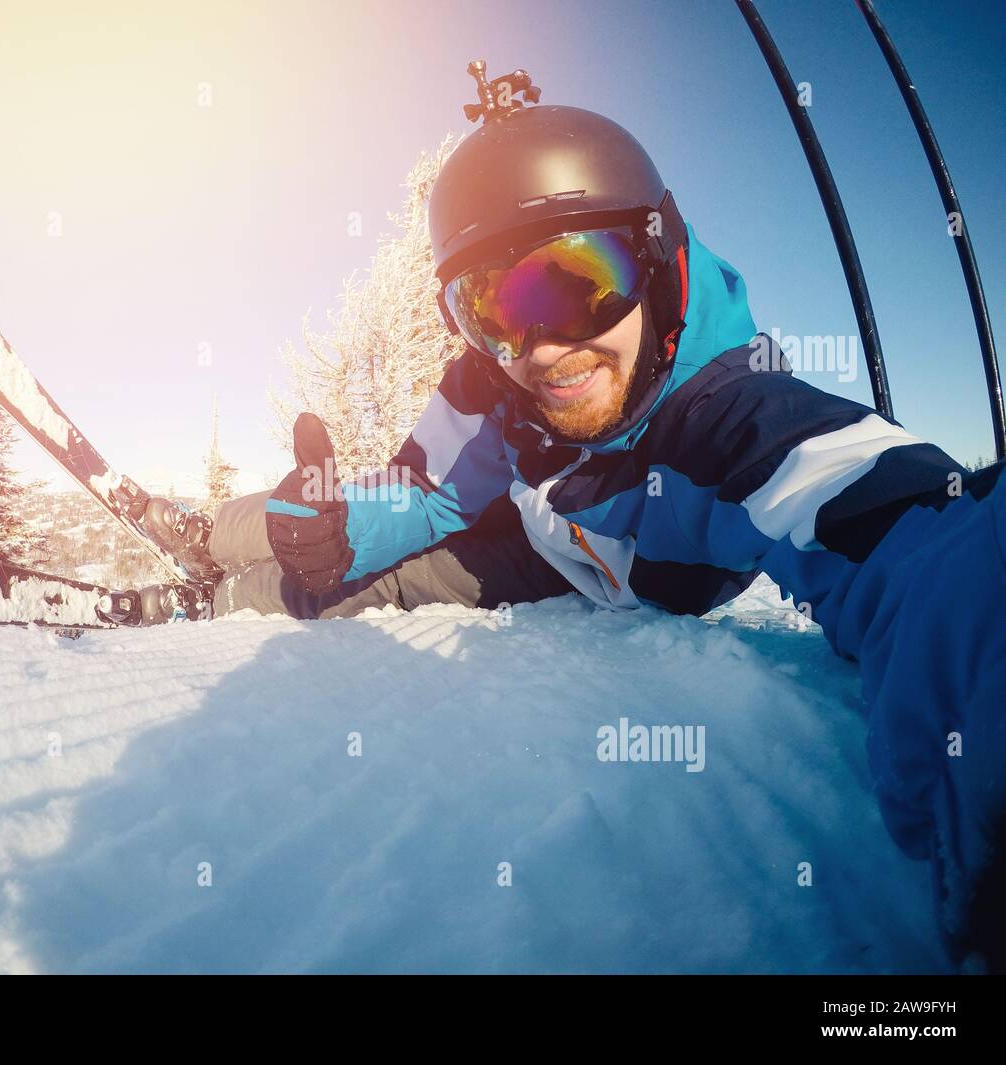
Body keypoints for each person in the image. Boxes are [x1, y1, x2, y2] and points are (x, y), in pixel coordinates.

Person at [147, 69, 1006, 969]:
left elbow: (902, 527)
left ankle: (216, 599)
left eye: (579, 283)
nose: (541, 348)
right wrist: (327, 525)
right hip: (541, 519)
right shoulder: (495, 380)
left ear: (662, 262)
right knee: (322, 517)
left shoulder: (729, 419)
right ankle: (198, 533)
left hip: (558, 562)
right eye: (489, 305)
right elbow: (420, 488)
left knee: (382, 588)